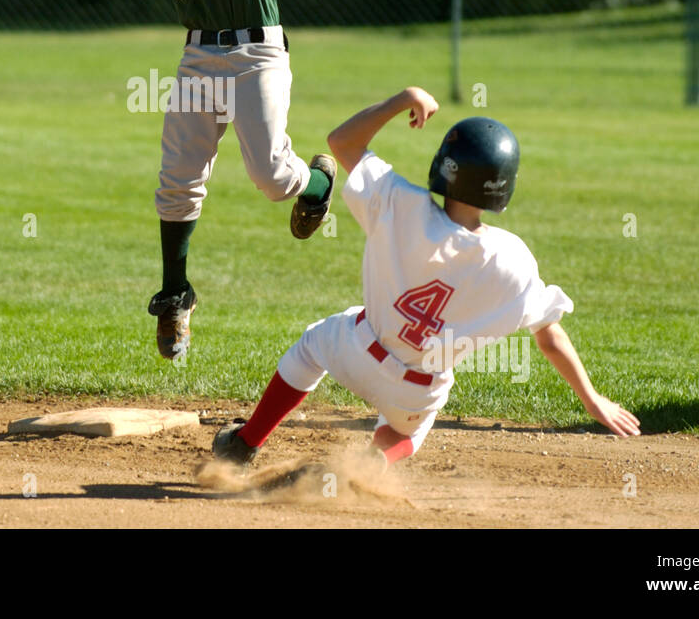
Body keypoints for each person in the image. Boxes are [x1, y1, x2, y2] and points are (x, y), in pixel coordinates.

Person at [212, 87, 641, 468]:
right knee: (406, 433)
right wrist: (593, 400)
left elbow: (341, 141)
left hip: (358, 349)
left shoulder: (401, 203)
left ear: (444, 166)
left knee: (310, 349)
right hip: (417, 391)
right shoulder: (514, 260)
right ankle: (369, 466)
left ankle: (245, 443)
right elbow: (550, 337)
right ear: (504, 187)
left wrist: (403, 99)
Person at [100, 0, 334, 362]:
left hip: (257, 54)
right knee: (176, 184)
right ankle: (175, 296)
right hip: (199, 54)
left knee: (272, 178)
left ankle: (320, 181)